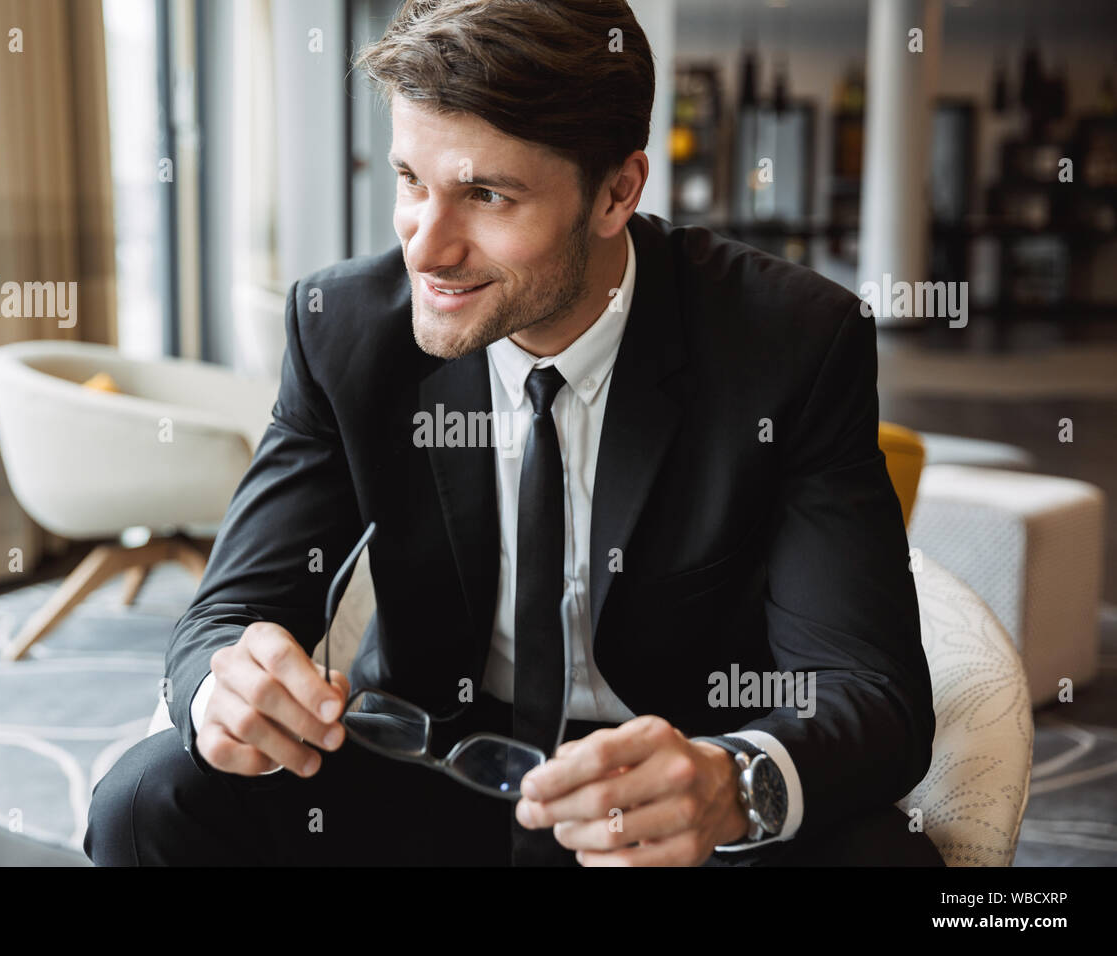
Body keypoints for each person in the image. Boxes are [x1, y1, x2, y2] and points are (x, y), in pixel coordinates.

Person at [85, 0, 942, 867]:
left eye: (486, 195)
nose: (426, 247)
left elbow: (874, 693)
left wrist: (731, 780)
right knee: (145, 801)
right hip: (425, 773)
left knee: (889, 863)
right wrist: (223, 689)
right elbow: (229, 612)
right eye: (411, 181)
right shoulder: (343, 329)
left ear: (618, 193)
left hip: (665, 793)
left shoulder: (791, 341)